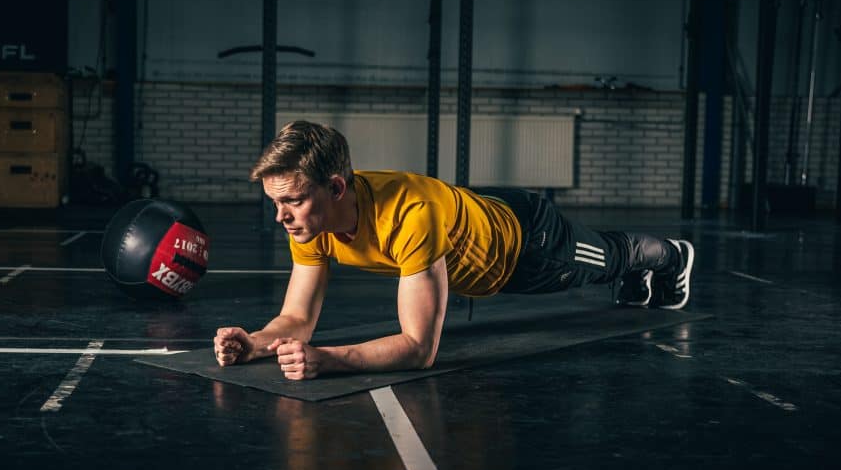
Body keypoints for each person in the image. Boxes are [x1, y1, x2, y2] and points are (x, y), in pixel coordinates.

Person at [213, 121, 694, 381]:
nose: (281, 216)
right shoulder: (307, 222)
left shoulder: (408, 218)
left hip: (529, 247)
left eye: (291, 201)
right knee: (614, 268)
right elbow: (297, 316)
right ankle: (642, 277)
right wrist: (257, 341)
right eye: (275, 202)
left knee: (608, 259)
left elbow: (419, 349)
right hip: (478, 208)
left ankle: (672, 256)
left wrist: (331, 359)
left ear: (336, 188)